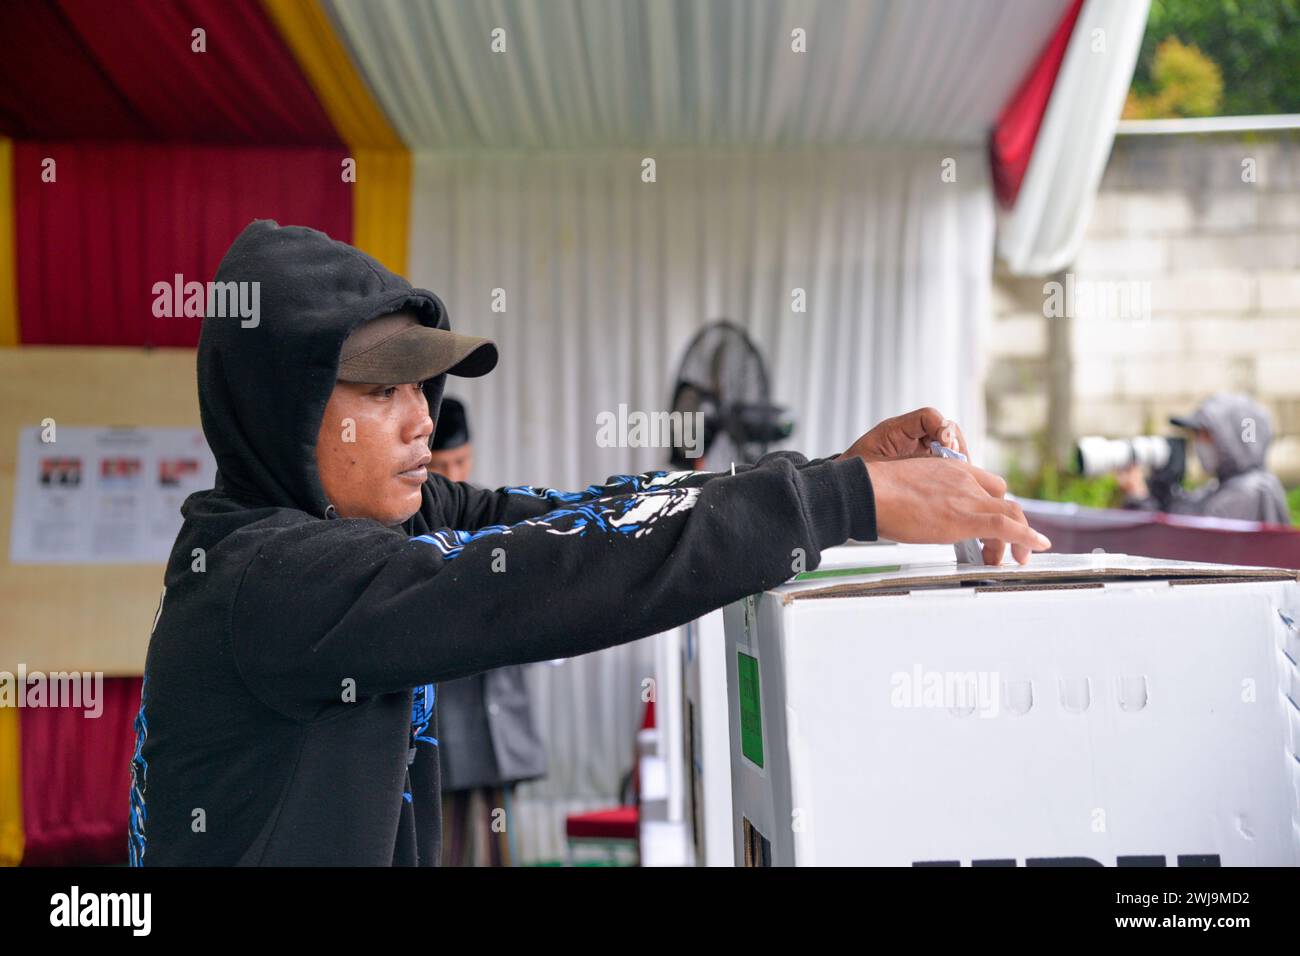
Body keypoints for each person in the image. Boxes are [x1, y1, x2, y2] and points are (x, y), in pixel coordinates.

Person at [129, 220, 1050, 866]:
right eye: (382, 392)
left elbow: (588, 522)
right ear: (285, 412)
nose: (423, 420)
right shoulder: (272, 578)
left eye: (424, 388)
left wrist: (822, 475)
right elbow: (546, 577)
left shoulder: (377, 524)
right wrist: (838, 502)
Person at [429, 398, 546, 867]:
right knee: (447, 847)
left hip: (500, 707)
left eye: (461, 461)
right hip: (444, 715)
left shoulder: (491, 514)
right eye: (441, 465)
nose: (454, 476)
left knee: (501, 846)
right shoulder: (409, 523)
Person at [1118, 393, 1291, 525]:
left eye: (1206, 434)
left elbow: (1186, 544)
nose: (1198, 443)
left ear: (1232, 440)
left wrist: (1139, 497)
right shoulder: (1228, 486)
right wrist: (1161, 486)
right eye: (1196, 435)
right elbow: (1184, 511)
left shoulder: (1246, 492)